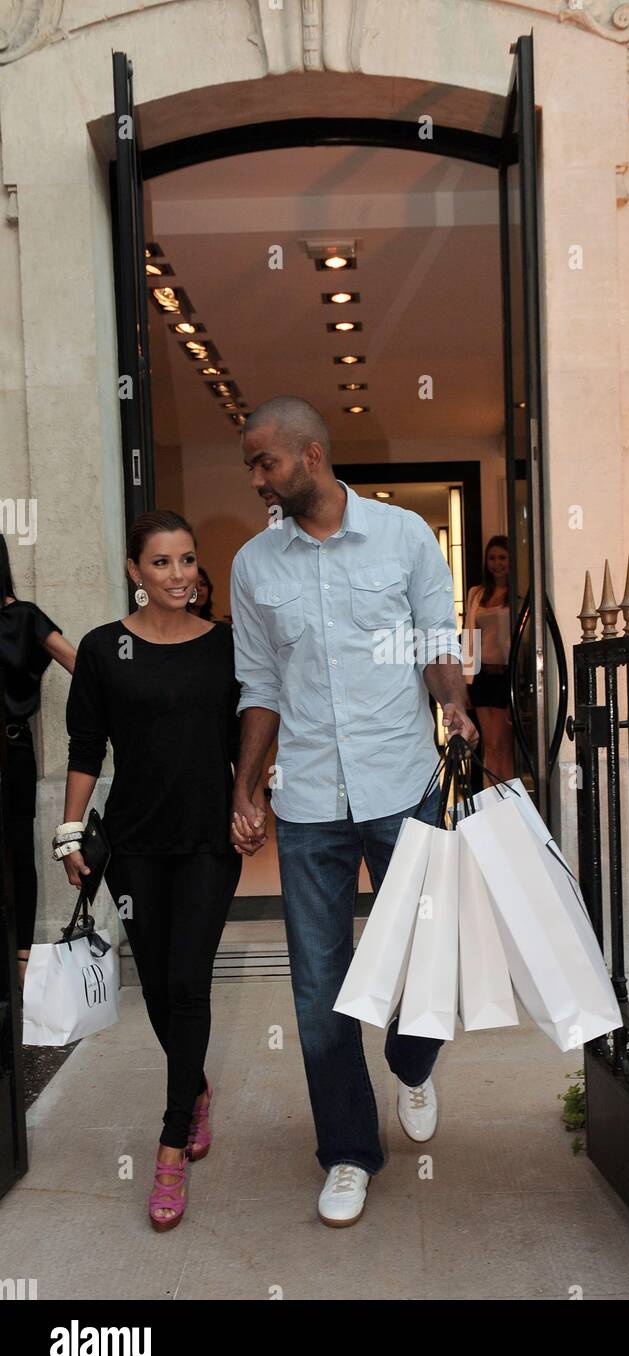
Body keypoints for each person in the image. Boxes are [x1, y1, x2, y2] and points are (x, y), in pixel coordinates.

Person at [229, 395, 478, 1228]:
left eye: (265, 463)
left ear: (310, 455)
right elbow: (259, 685)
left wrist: (455, 706)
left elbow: (436, 642)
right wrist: (245, 785)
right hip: (306, 801)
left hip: (403, 783)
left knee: (427, 952)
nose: (257, 479)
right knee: (318, 986)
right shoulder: (254, 565)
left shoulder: (404, 538)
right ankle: (346, 1150)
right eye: (251, 466)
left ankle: (412, 1060)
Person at [59, 510, 243, 1232]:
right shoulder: (103, 649)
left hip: (206, 842)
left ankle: (169, 1146)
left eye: (187, 560)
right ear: (135, 570)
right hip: (133, 844)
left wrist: (252, 797)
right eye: (161, 562)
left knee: (188, 983)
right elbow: (85, 747)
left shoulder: (226, 645)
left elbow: (251, 734)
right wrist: (69, 833)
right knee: (161, 987)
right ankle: (193, 1087)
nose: (178, 575)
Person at [0, 535, 77, 991]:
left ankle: (22, 958)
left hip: (11, 754)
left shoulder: (25, 617)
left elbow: (82, 665)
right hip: (15, 753)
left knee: (16, 852)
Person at [463, 535, 514, 782]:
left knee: (504, 744)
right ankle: (492, 796)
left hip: (506, 675)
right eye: (492, 558)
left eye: (502, 557)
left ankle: (510, 797)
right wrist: (466, 680)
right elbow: (469, 636)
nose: (497, 563)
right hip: (481, 676)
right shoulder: (477, 593)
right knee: (490, 744)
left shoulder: (516, 594)